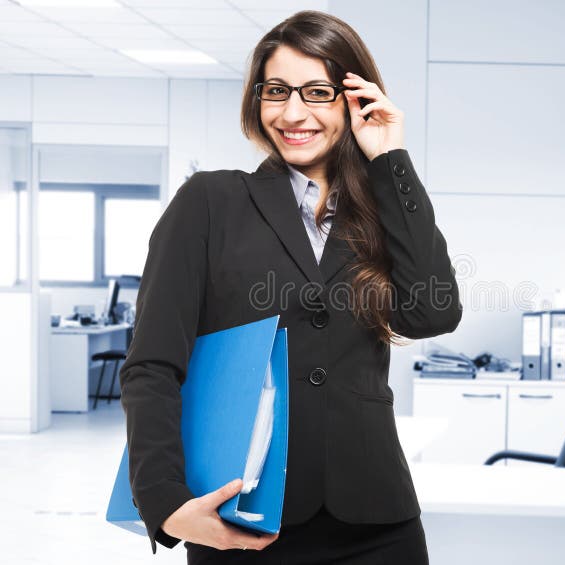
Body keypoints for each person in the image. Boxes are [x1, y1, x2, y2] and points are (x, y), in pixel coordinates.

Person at [119, 9, 462, 565]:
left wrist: (391, 159)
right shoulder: (210, 203)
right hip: (242, 518)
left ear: (353, 99)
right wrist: (163, 501)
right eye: (276, 90)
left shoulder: (381, 212)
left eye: (317, 92)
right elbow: (152, 364)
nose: (293, 112)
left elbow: (432, 314)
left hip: (376, 523)